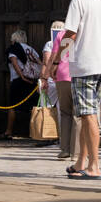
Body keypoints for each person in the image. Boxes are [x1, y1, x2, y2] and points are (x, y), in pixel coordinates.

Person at [51, 0, 101, 180]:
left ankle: (94, 166)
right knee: (86, 112)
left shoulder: (78, 2)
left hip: (84, 66)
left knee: (89, 115)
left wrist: (56, 59)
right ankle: (81, 161)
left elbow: (70, 32)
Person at [42, 21, 74, 161]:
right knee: (78, 115)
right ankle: (77, 151)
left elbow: (53, 57)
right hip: (78, 74)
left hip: (62, 75)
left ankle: (65, 149)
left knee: (65, 113)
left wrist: (46, 75)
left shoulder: (61, 35)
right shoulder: (82, 34)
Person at [4, 29, 40, 140]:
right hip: (32, 81)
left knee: (13, 106)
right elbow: (39, 62)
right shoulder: (31, 49)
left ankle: (8, 131)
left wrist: (22, 76)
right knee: (33, 107)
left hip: (18, 80)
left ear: (14, 39)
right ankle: (34, 132)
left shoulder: (14, 48)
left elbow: (14, 62)